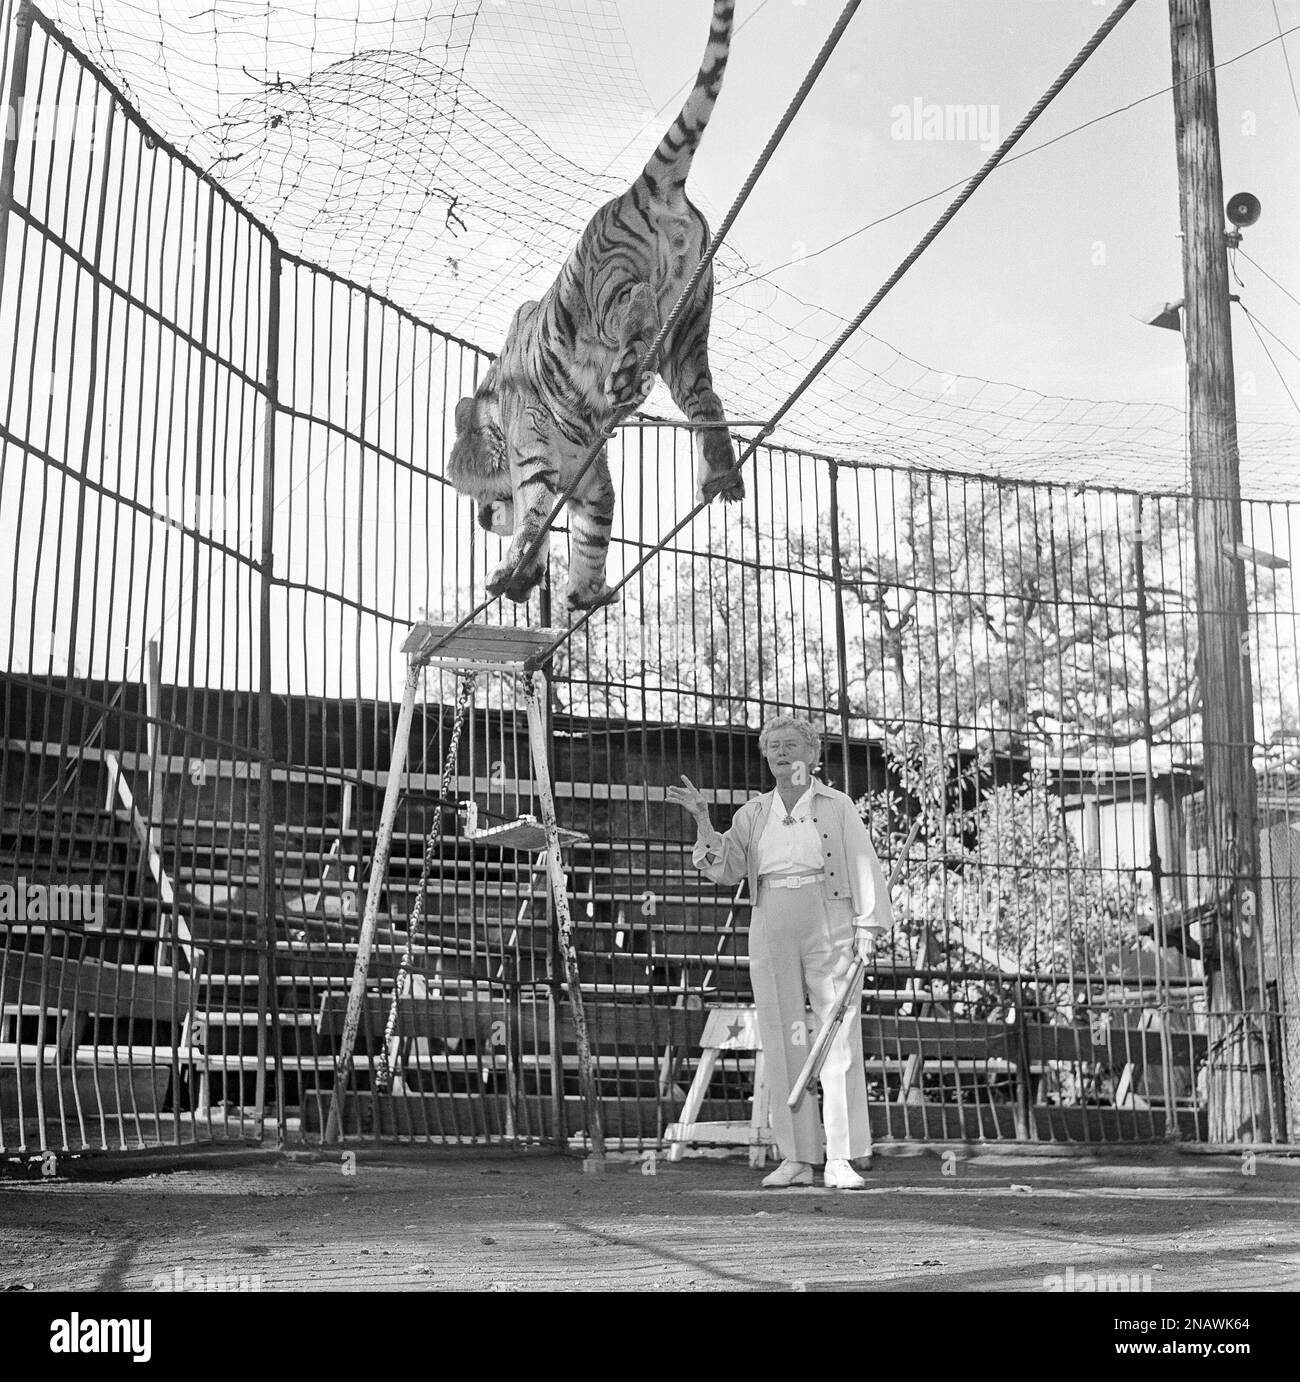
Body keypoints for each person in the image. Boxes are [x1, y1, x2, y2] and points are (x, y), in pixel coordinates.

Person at [667, 714, 892, 1189]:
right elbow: (726, 868)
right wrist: (704, 820)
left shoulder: (837, 805)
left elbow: (862, 862)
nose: (782, 753)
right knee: (782, 1035)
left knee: (837, 1033)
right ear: (766, 758)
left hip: (828, 915)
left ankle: (841, 1157)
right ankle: (796, 1157)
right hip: (770, 916)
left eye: (791, 745)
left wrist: (868, 925)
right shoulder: (753, 812)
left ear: (812, 753)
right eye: (773, 747)